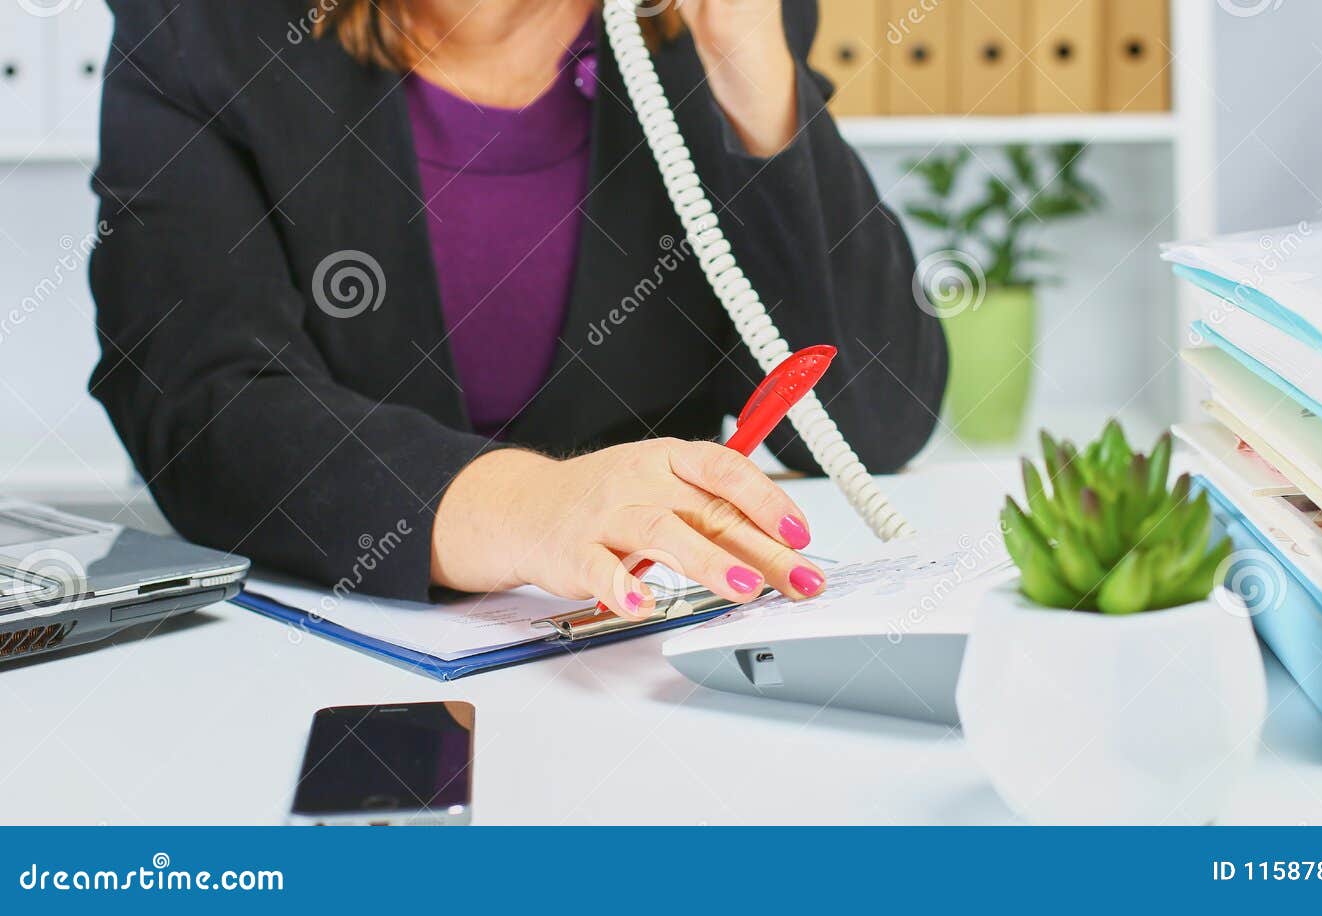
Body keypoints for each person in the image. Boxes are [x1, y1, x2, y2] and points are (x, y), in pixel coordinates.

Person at [89, 0, 947, 620]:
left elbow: (877, 419)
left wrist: (753, 68)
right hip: (309, 655)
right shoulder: (203, 26)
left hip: (641, 664)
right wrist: (531, 508)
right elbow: (197, 400)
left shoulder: (711, 28)